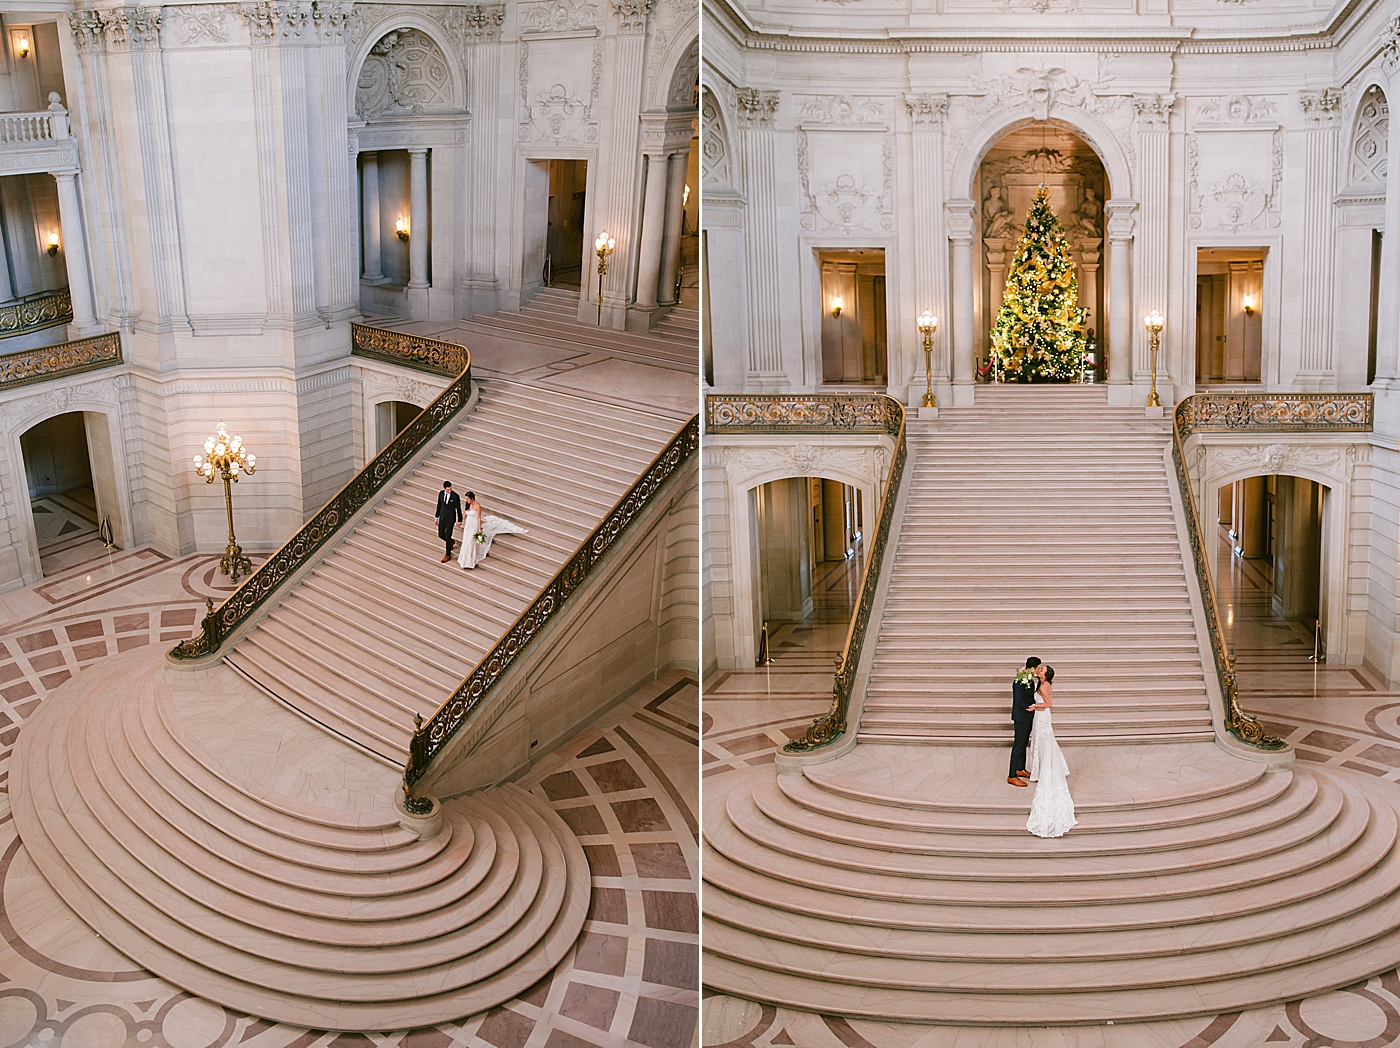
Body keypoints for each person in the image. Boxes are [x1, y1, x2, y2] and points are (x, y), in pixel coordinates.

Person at [1026, 665, 1077, 838]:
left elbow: (1049, 704)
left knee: (1044, 741)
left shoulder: (1044, 686)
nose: (1038, 671)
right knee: (1041, 742)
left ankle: (1045, 768)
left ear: (1046, 675)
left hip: (1042, 716)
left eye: (1041, 670)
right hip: (1039, 716)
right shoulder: (1039, 684)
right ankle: (1041, 767)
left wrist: (1034, 707)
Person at [458, 490, 529, 569]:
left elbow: (478, 518)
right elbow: (464, 514)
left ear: (472, 498)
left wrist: (479, 529)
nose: (466, 500)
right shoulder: (467, 504)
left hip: (474, 525)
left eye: (468, 499)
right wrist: (459, 521)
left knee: (471, 541)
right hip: (468, 525)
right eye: (466, 499)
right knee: (466, 541)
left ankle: (470, 562)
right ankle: (464, 560)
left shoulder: (477, 505)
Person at [1008, 656, 1041, 787]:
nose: (1038, 670)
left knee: (1023, 744)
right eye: (1038, 668)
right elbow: (1019, 700)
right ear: (1032, 668)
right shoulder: (1019, 681)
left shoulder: (1029, 679)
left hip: (1028, 716)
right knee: (1018, 744)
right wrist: (1032, 706)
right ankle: (1011, 775)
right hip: (1021, 717)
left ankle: (1020, 768)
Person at [435, 481, 462, 563]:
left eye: (451, 489)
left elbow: (458, 509)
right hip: (442, 517)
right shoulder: (441, 494)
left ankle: (448, 554)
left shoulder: (455, 496)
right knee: (441, 534)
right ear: (444, 488)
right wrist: (436, 517)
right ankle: (451, 541)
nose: (450, 491)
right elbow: (439, 505)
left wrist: (459, 520)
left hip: (450, 519)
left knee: (447, 535)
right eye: (448, 490)